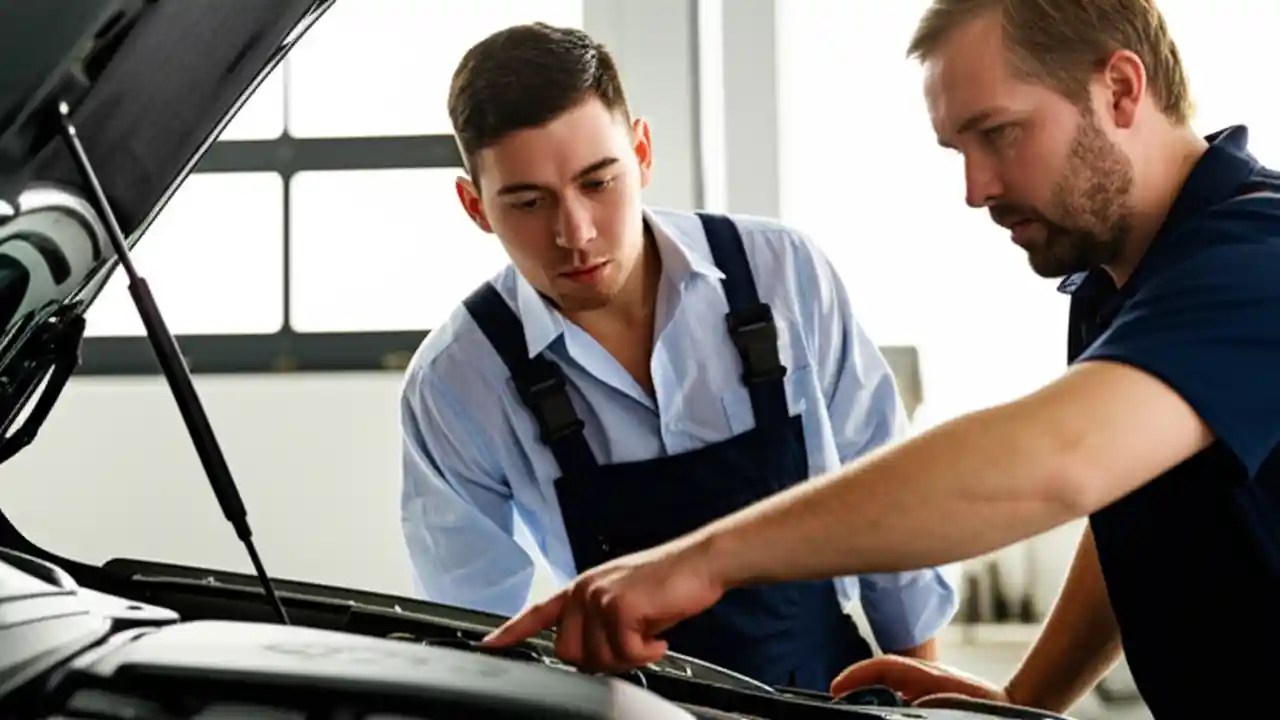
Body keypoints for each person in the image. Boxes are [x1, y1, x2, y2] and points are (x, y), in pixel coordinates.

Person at [481, 2, 1280, 717]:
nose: (975, 187)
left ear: (1121, 88)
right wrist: (1025, 702)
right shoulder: (1118, 285)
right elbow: (1134, 504)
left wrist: (699, 560)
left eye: (999, 133)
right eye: (957, 148)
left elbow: (1059, 462)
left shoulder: (1256, 259)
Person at [398, 22, 958, 692]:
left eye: (598, 182)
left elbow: (888, 499)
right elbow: (474, 637)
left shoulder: (783, 275)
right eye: (528, 201)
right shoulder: (456, 385)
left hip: (828, 697)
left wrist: (925, 697)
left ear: (641, 152)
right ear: (475, 206)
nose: (575, 233)